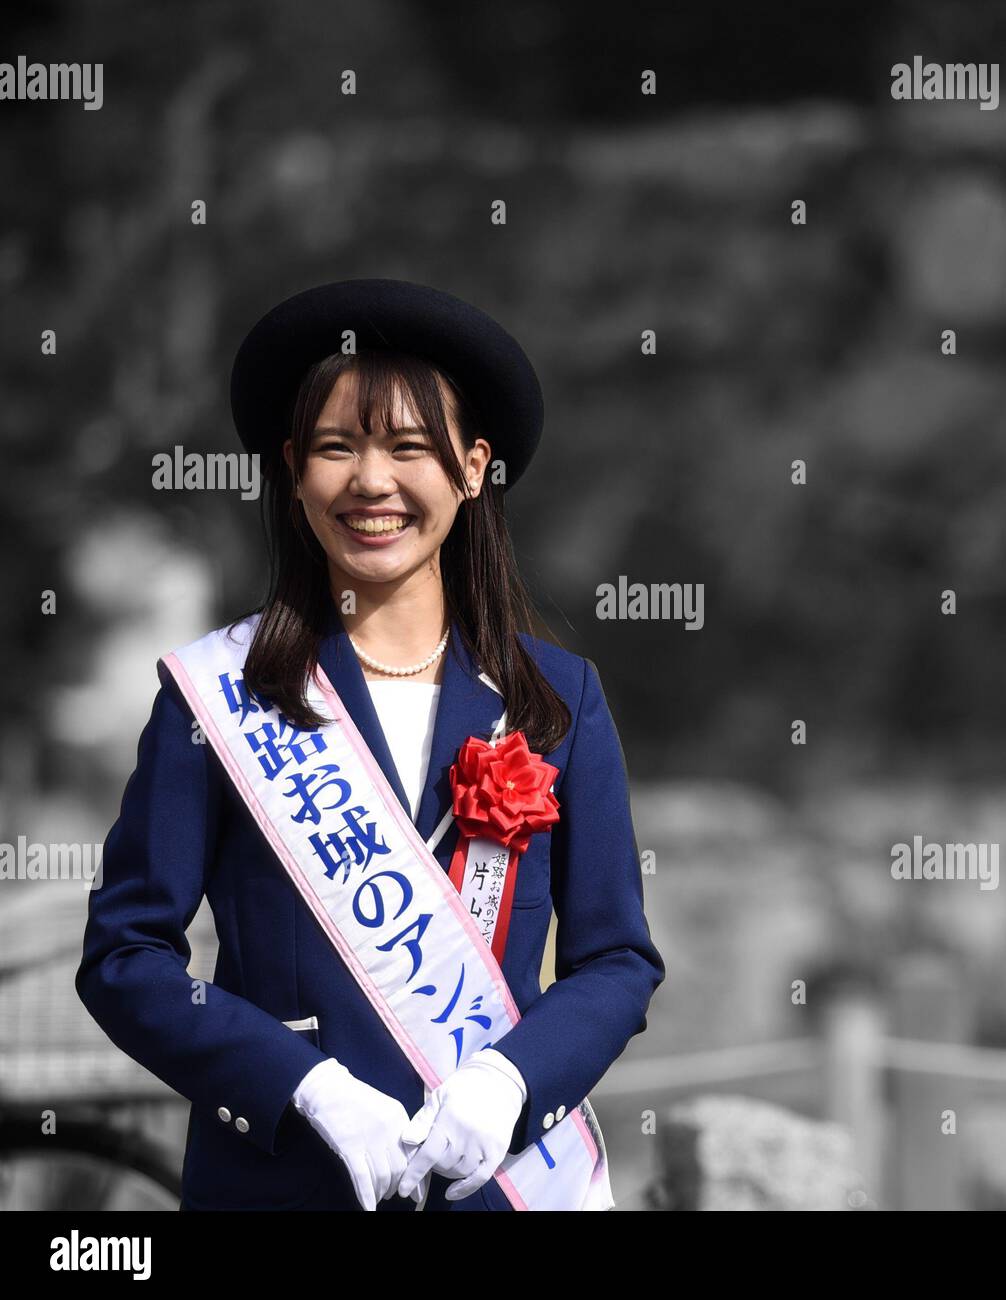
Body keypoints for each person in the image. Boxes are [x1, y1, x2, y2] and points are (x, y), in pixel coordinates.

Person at [76, 279, 666, 1211]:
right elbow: (126, 956)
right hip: (279, 1184)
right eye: (336, 447)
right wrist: (299, 1085)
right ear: (292, 468)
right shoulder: (214, 695)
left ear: (473, 469)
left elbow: (617, 961)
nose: (372, 482)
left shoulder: (558, 702)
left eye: (410, 447)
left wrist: (509, 1083)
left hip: (494, 1184)